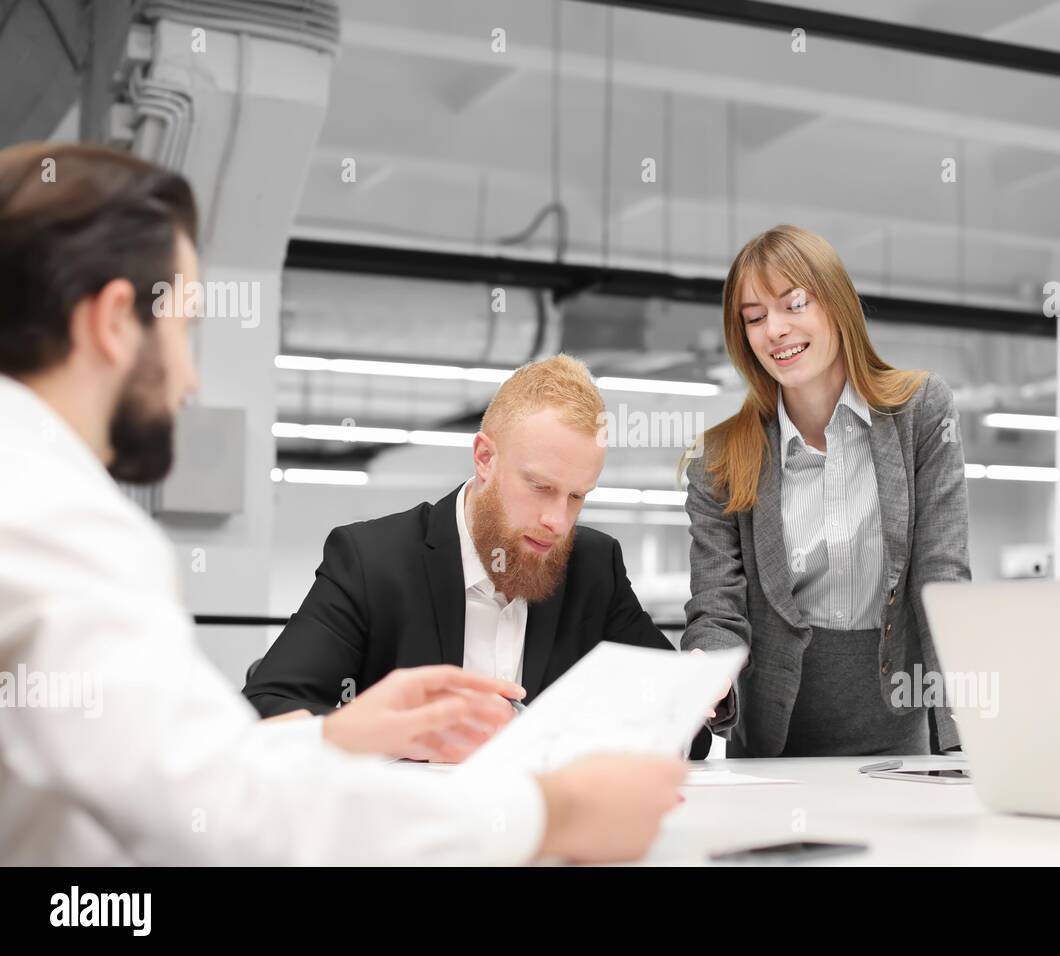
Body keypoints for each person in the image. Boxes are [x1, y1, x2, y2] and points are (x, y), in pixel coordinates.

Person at [0, 140, 685, 865]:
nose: (191, 378)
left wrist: (336, 735)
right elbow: (219, 811)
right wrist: (552, 814)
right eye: (184, 329)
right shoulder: (56, 517)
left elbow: (166, 770)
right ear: (113, 322)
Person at [242, 354, 713, 759]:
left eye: (577, 497)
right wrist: (403, 736)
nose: (558, 521)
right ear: (485, 458)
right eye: (540, 487)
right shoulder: (372, 561)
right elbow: (268, 706)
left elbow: (687, 730)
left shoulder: (593, 566)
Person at [680, 224, 970, 758]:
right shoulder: (720, 458)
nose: (775, 330)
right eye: (755, 317)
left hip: (897, 743)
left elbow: (940, 576)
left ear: (836, 305)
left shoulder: (919, 412)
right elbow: (718, 605)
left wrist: (962, 740)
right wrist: (707, 669)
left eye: (795, 304)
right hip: (773, 750)